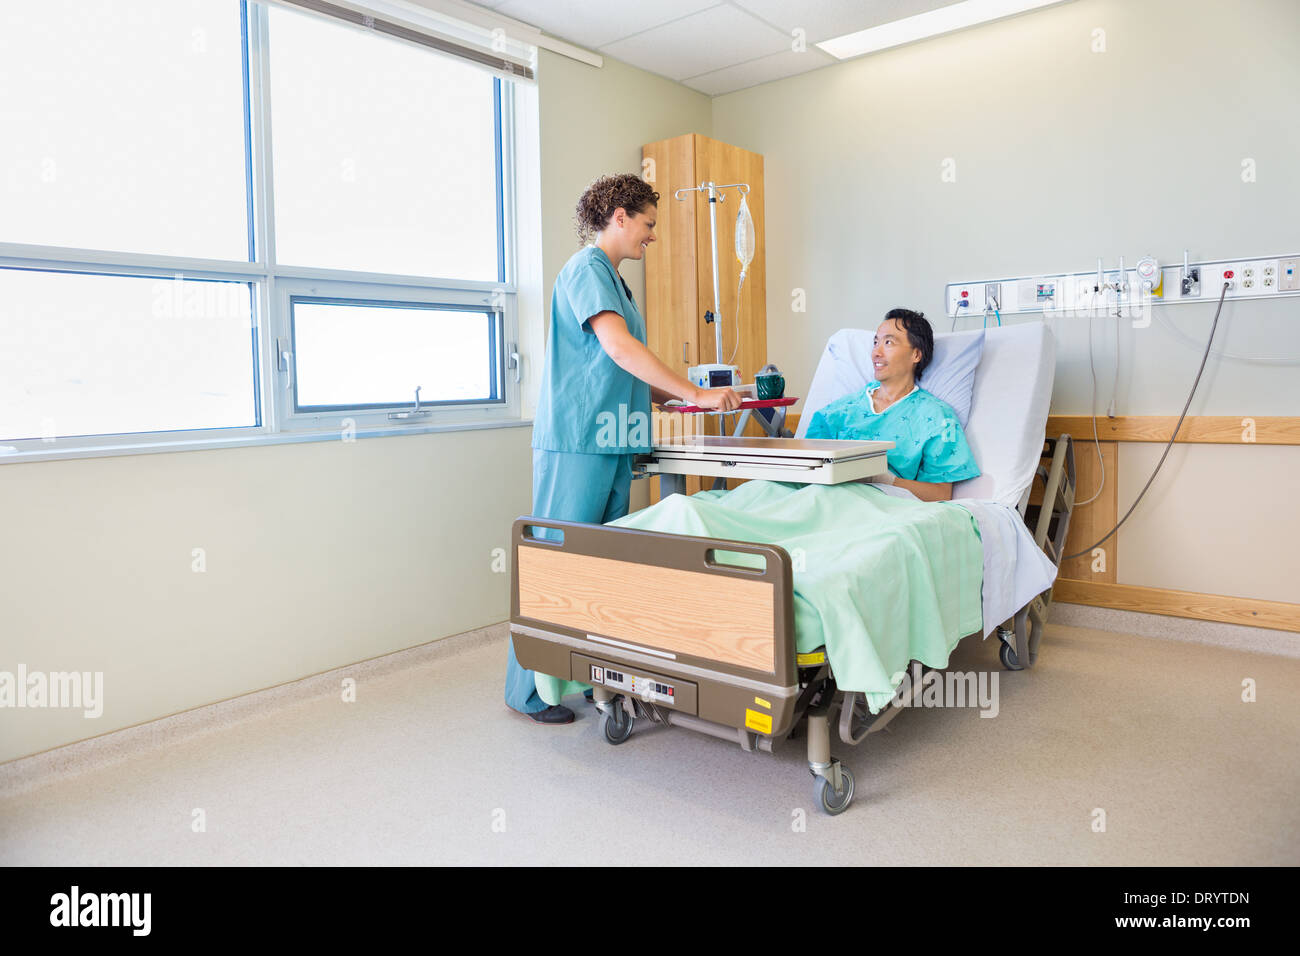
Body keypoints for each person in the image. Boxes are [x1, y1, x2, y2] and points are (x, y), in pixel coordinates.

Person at [506, 173, 742, 723]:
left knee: (603, 568)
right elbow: (618, 347)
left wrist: (682, 400)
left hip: (613, 439)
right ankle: (528, 691)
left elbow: (624, 365)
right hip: (579, 438)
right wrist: (694, 391)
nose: (652, 237)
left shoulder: (613, 279)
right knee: (558, 563)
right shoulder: (586, 269)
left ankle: (595, 677)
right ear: (618, 215)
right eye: (649, 224)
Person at [804, 309, 979, 501]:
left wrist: (884, 480)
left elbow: (940, 493)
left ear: (916, 355)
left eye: (888, 342)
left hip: (881, 507)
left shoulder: (938, 417)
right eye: (876, 342)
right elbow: (806, 473)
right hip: (824, 499)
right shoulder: (837, 412)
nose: (876, 353)